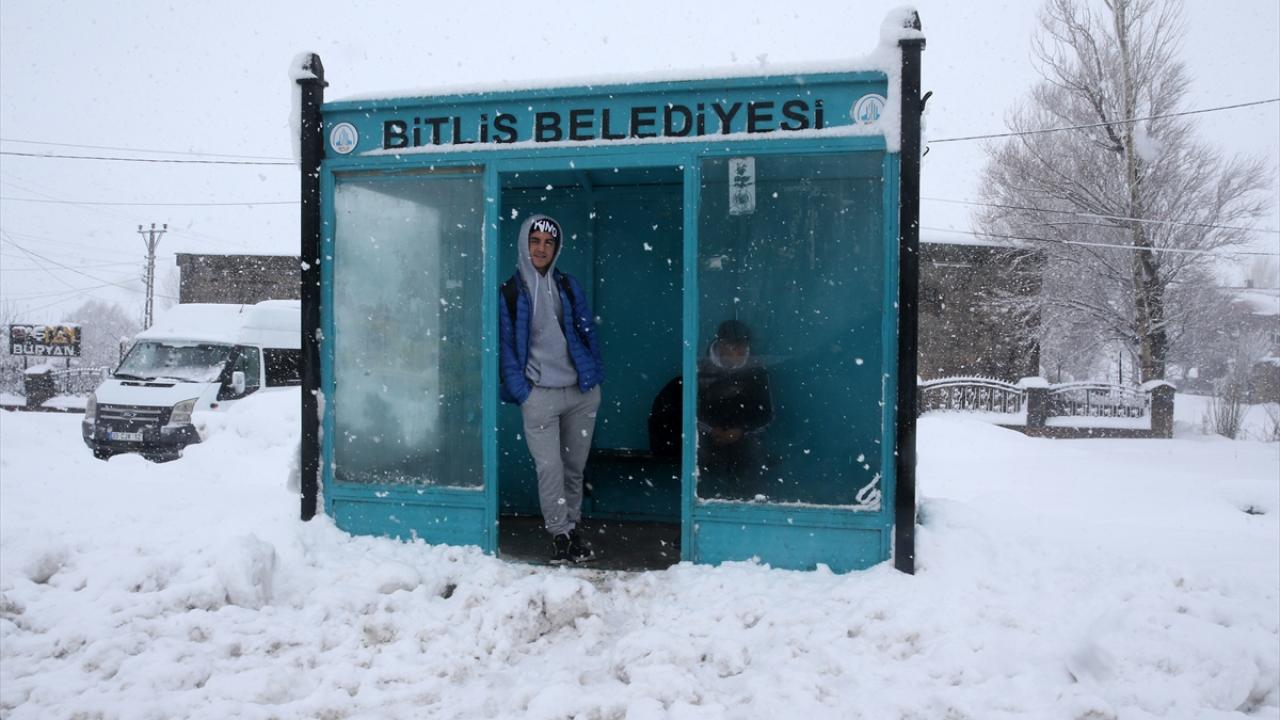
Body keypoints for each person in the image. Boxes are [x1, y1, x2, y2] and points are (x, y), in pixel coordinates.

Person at [499, 214, 604, 564]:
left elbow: (588, 332)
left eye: (548, 242)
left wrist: (594, 377)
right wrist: (524, 392)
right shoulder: (511, 292)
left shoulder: (568, 286)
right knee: (550, 468)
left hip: (580, 392)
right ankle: (559, 534)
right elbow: (505, 350)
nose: (541, 248)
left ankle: (573, 529)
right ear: (523, 243)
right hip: (539, 395)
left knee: (574, 466)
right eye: (535, 241)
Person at [647, 319, 773, 498]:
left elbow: (765, 414)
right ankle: (707, 503)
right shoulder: (697, 368)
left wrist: (740, 430)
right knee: (700, 452)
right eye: (734, 346)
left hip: (741, 436)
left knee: (752, 451)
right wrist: (710, 430)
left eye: (743, 345)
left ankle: (745, 502)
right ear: (721, 345)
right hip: (703, 434)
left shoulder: (756, 371)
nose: (740, 351)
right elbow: (684, 411)